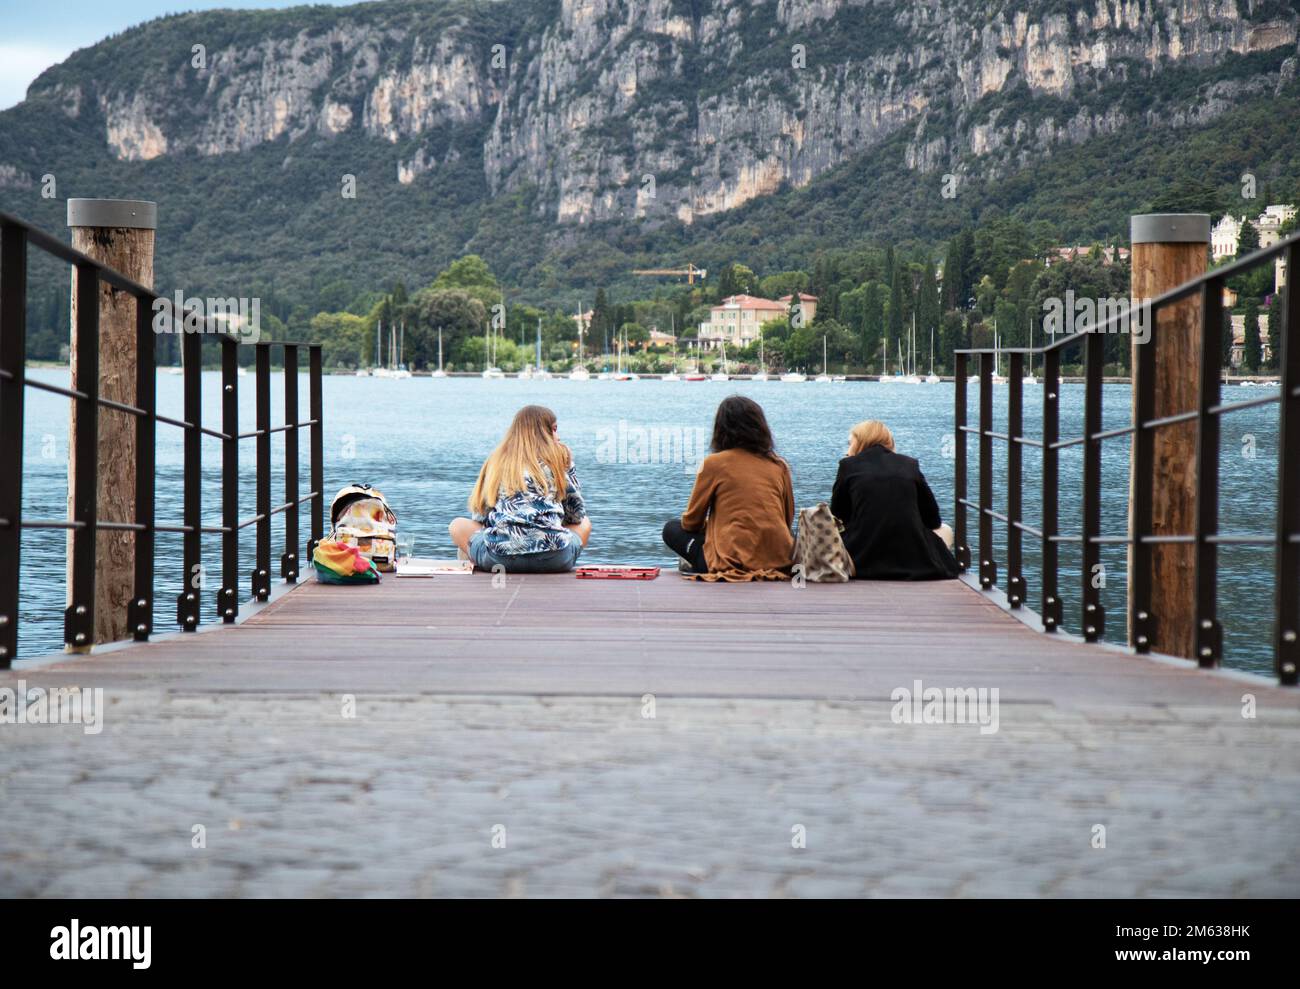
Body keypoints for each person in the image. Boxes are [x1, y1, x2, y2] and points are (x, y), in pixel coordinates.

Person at [662, 395, 795, 581]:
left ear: (721, 429)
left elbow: (692, 522)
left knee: (671, 529)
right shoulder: (779, 465)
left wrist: (714, 528)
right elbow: (786, 519)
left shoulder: (713, 463)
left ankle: (704, 564)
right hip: (780, 559)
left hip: (730, 560)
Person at [449, 405, 591, 573]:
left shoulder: (497, 460)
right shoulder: (559, 458)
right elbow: (576, 515)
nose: (558, 437)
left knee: (457, 525)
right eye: (554, 430)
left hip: (500, 560)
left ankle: (474, 566)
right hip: (555, 560)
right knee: (585, 523)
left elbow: (481, 516)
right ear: (544, 433)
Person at [830, 419, 957, 580]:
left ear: (860, 443)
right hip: (913, 561)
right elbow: (933, 520)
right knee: (945, 529)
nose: (848, 450)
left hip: (860, 560)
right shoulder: (909, 465)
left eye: (850, 443)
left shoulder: (848, 466)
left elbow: (837, 517)